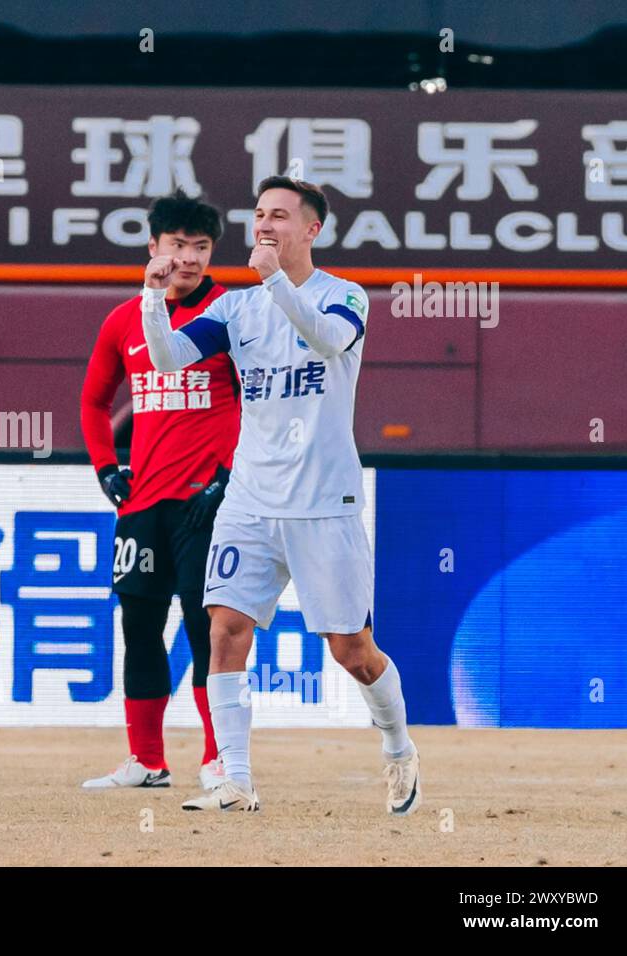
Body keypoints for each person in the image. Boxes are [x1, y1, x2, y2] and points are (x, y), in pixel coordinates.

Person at [141, 176, 420, 815]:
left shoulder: (344, 296)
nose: (265, 225)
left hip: (325, 502)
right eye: (259, 213)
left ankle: (399, 747)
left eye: (281, 216)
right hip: (251, 498)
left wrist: (274, 281)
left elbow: (328, 339)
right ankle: (235, 780)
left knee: (352, 649)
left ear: (312, 229)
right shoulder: (235, 309)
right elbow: (168, 360)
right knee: (226, 630)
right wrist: (154, 299)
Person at [79, 191, 238, 791]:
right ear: (153, 248)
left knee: (210, 631)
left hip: (209, 503)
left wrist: (227, 478)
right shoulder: (125, 320)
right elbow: (95, 401)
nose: (189, 258)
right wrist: (105, 467)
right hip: (143, 504)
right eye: (177, 245)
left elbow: (257, 404)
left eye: (200, 247)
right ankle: (146, 762)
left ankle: (220, 759)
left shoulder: (232, 314)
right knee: (139, 627)